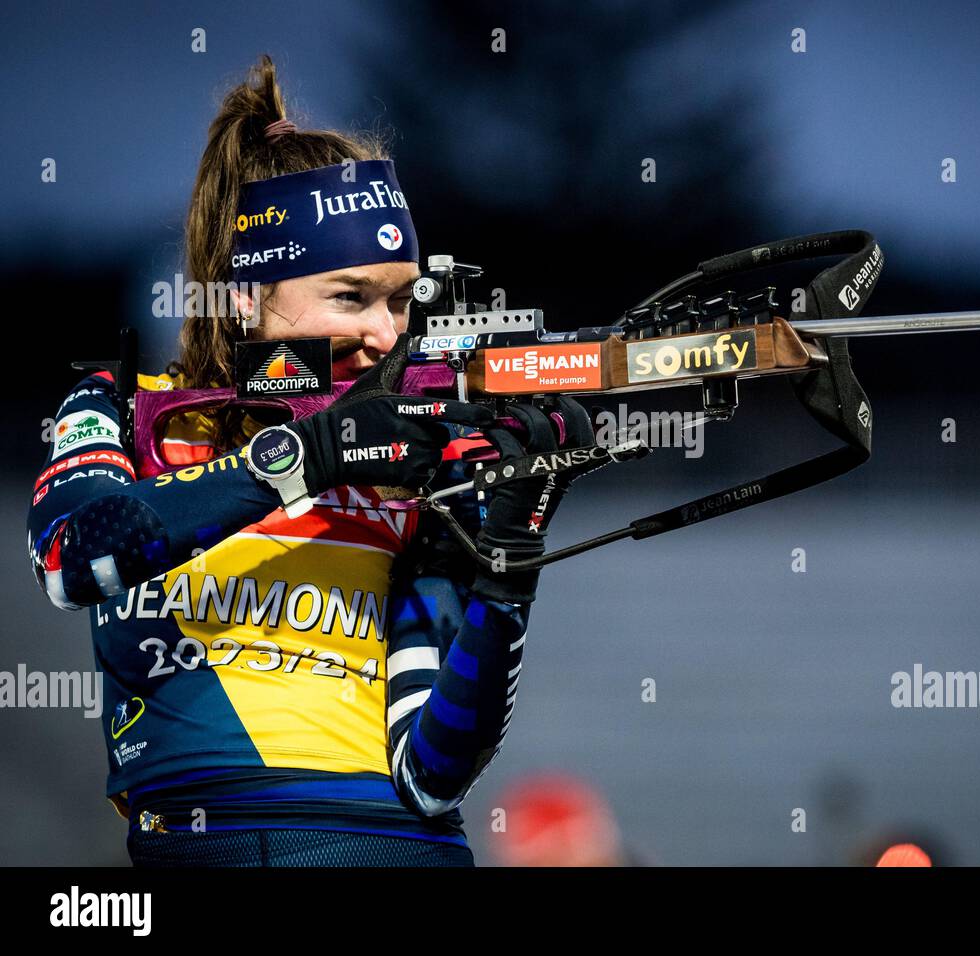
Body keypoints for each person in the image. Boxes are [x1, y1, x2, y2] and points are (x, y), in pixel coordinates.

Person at [25, 55, 589, 867]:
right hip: (218, 840)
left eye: (402, 300)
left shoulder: (417, 457)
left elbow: (435, 775)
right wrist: (307, 457)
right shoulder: (119, 407)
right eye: (350, 297)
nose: (388, 334)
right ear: (246, 295)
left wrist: (510, 554)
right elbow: (69, 556)